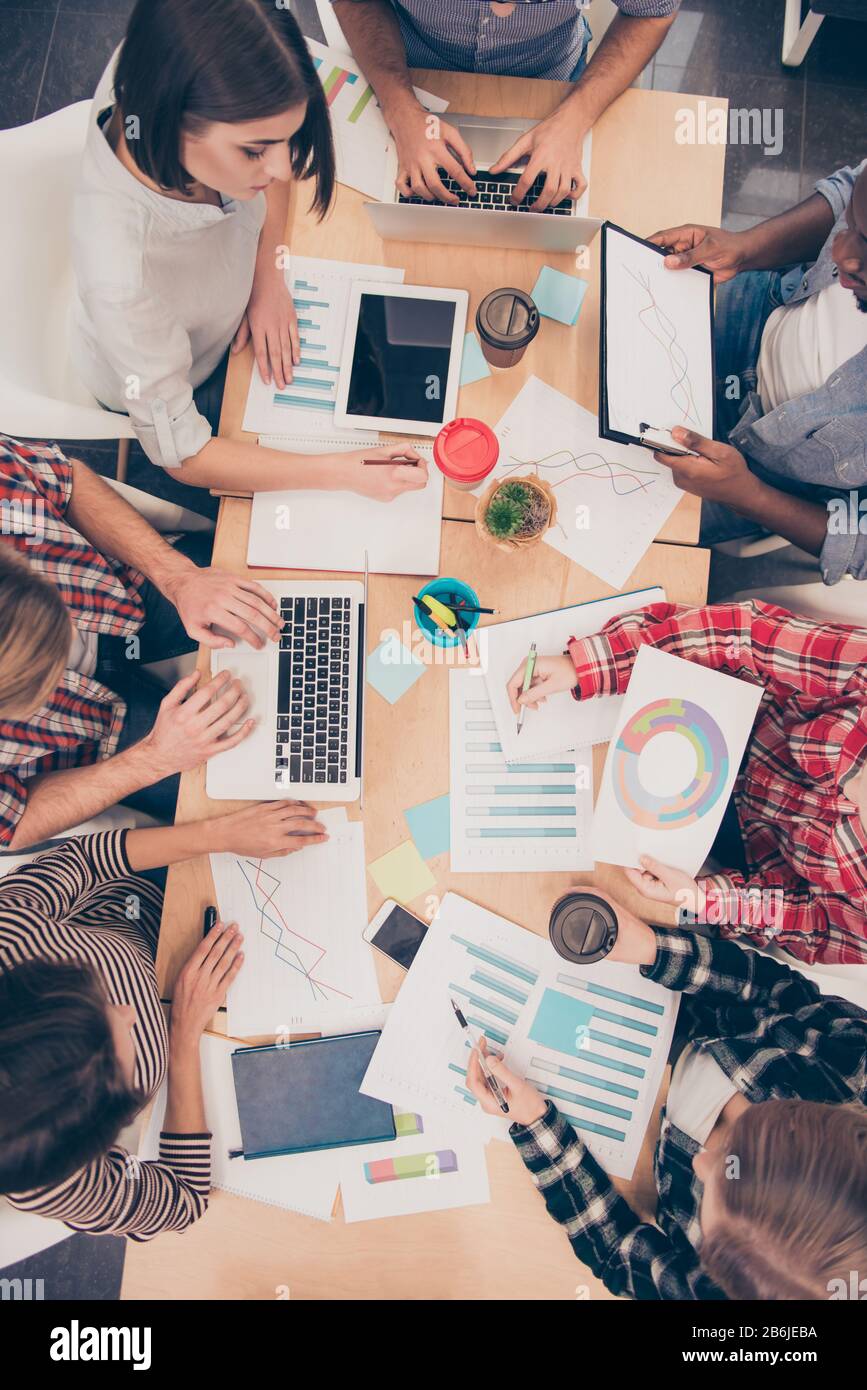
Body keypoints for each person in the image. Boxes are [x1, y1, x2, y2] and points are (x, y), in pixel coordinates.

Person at [71, 0, 426, 506]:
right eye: (255, 151)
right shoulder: (124, 280)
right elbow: (183, 454)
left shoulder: (178, 54)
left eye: (286, 141)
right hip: (183, 372)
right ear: (173, 124)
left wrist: (268, 271)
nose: (283, 170)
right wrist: (343, 470)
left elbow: (271, 166)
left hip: (240, 297)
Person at [466, 891, 867, 1300]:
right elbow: (778, 992)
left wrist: (535, 1124)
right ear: (811, 1114)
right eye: (733, 1147)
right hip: (688, 1010)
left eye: (708, 1199)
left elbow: (621, 1256)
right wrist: (655, 950)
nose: (699, 1160)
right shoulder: (856, 1062)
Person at [0, 804, 327, 1239]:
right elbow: (185, 1196)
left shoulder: (9, 934)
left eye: (94, 996)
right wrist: (183, 1035)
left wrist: (218, 833)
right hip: (196, 1002)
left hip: (139, 894)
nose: (130, 1010)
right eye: (124, 1054)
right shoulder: (55, 1179)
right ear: (100, 1130)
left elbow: (86, 859)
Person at [507, 599, 867, 964]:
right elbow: (744, 633)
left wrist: (702, 900)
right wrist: (588, 667)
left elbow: (811, 926)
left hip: (733, 846)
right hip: (731, 711)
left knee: (566, 851)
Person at [0, 435, 282, 847]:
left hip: (121, 589)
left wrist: (177, 577)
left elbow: (69, 483)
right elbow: (15, 822)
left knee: (288, 594)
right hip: (91, 747)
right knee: (272, 792)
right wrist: (154, 758)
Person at [647, 158, 867, 585]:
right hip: (751, 311)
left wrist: (746, 495)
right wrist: (745, 248)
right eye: (852, 226)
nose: (840, 255)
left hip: (749, 474)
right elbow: (851, 189)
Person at [332, 0, 679, 209]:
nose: (503, 11)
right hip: (409, 66)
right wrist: (399, 107)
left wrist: (574, 119)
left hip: (550, 76)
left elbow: (652, 12)